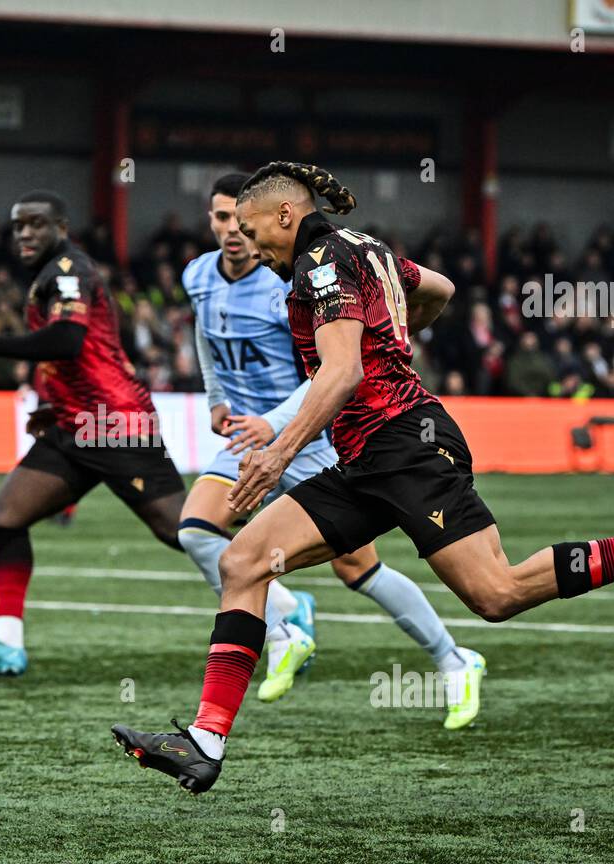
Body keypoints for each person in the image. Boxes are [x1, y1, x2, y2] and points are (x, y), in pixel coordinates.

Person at [113, 162, 614, 793]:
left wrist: (278, 453)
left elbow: (341, 375)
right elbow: (442, 290)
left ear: (287, 213)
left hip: (409, 449)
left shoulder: (320, 263)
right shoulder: (362, 248)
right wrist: (396, 336)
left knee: (497, 595)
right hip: (367, 460)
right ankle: (205, 742)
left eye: (254, 231)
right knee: (245, 562)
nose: (250, 246)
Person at [181, 173, 481, 719]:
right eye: (223, 220)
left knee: (359, 569)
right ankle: (286, 625)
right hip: (249, 436)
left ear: (278, 216)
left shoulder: (295, 276)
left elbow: (330, 371)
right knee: (201, 532)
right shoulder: (198, 276)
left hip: (307, 431)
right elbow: (205, 339)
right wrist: (216, 398)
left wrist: (277, 428)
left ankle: (452, 656)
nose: (233, 232)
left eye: (240, 222)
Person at [0, 190, 185, 678]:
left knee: (183, 532)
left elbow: (68, 340)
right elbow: (85, 350)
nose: (24, 233)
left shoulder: (68, 271)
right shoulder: (57, 274)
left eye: (35, 224)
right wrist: (55, 404)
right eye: (17, 225)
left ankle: (283, 607)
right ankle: (6, 644)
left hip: (114, 423)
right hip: (77, 423)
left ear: (61, 227)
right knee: (6, 518)